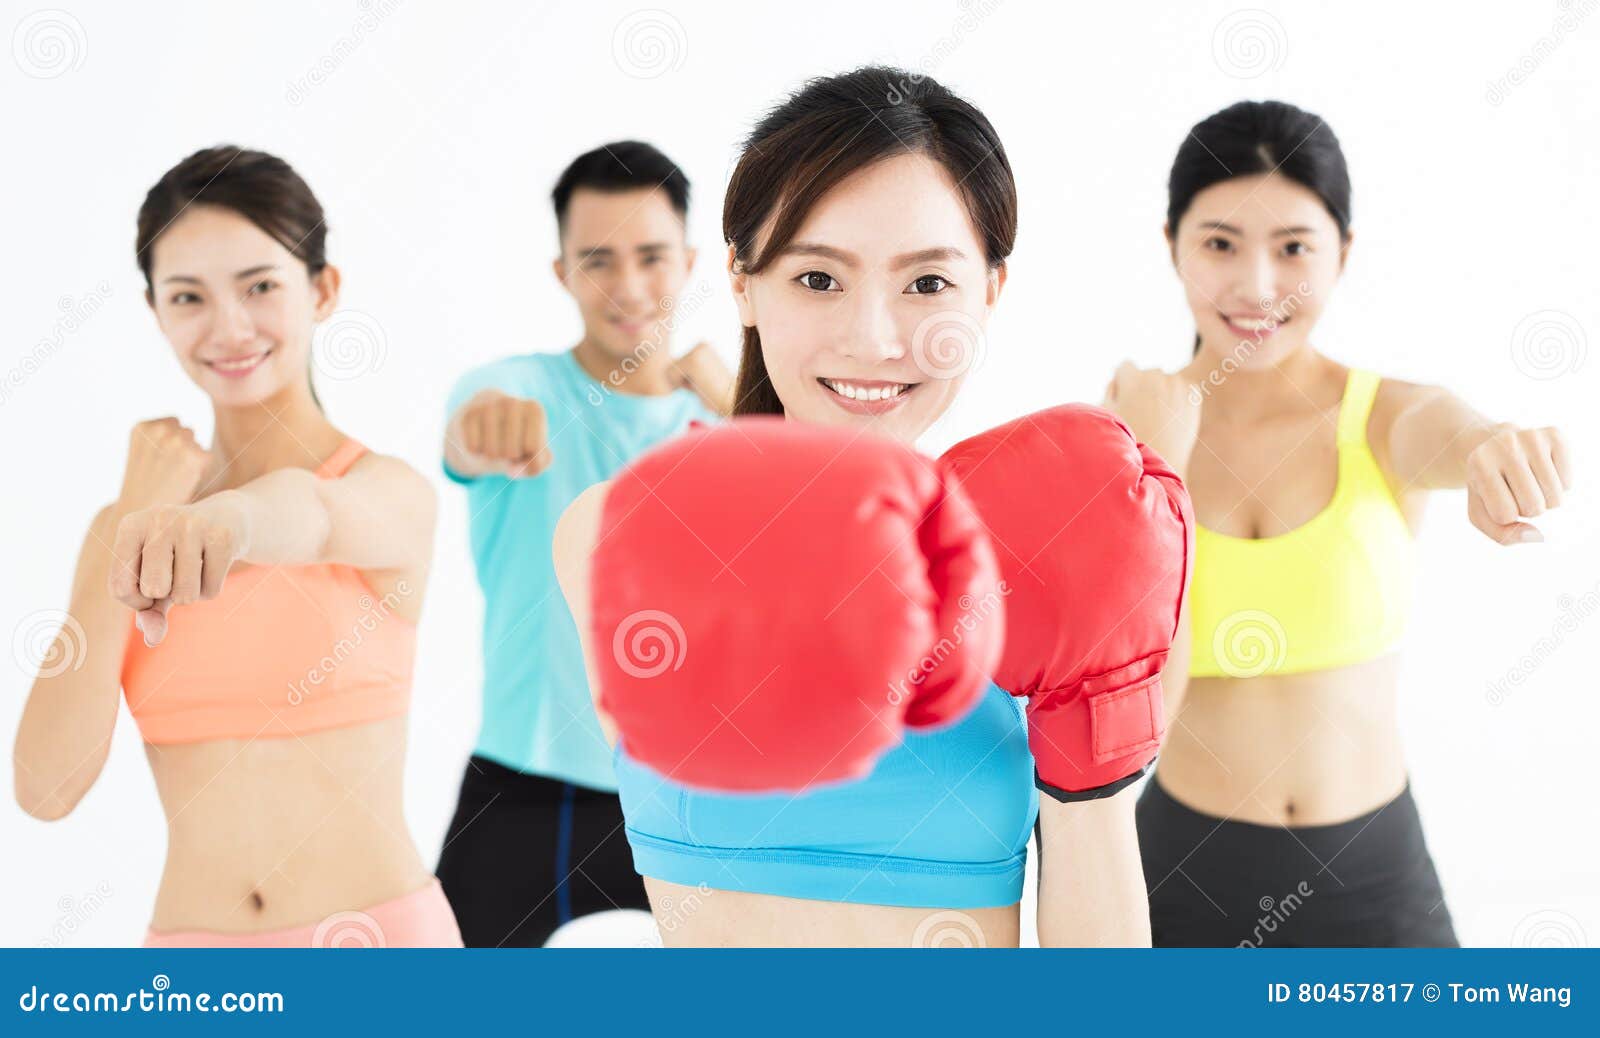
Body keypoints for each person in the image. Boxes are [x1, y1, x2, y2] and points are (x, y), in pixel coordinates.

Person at [554, 66, 1189, 948]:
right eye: (819, 279)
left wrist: (1146, 522)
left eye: (927, 284)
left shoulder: (1062, 544)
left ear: (990, 293)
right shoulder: (623, 530)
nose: (876, 340)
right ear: (741, 281)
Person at [1103, 100, 1575, 946]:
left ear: (1343, 253)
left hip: (1375, 880)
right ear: (1170, 244)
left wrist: (1490, 447)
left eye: (1293, 248)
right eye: (1219, 244)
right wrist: (1148, 460)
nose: (1255, 287)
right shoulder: (1128, 436)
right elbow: (1112, 677)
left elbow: (1451, 429)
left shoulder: (1386, 417)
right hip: (1179, 874)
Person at [12, 146, 459, 947]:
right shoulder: (127, 522)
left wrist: (227, 523)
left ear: (321, 290)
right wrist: (137, 518)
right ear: (155, 312)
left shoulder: (387, 493)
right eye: (188, 296)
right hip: (192, 964)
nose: (229, 327)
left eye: (260, 285)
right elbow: (46, 789)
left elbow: (310, 512)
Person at [435, 141, 731, 947]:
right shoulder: (519, 390)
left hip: (690, 801)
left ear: (692, 262)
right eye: (599, 260)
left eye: (651, 258)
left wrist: (743, 404)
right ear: (562, 271)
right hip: (520, 792)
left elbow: (829, 515)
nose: (629, 287)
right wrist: (488, 431)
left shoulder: (735, 424)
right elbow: (474, 429)